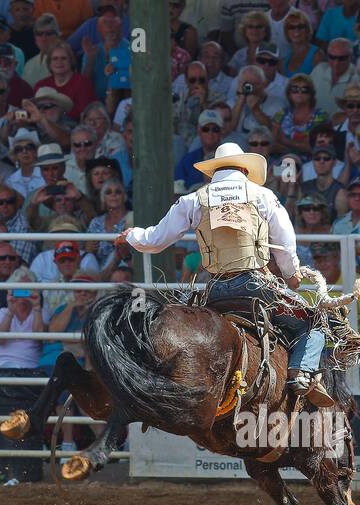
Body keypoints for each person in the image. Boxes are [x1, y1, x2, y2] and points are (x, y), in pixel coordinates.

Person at [115, 141, 333, 408]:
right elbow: (285, 243)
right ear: (244, 168)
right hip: (256, 287)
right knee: (313, 323)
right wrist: (291, 275)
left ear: (213, 171)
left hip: (215, 289)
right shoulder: (262, 195)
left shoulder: (194, 199)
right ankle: (301, 373)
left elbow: (155, 239)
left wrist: (132, 235)